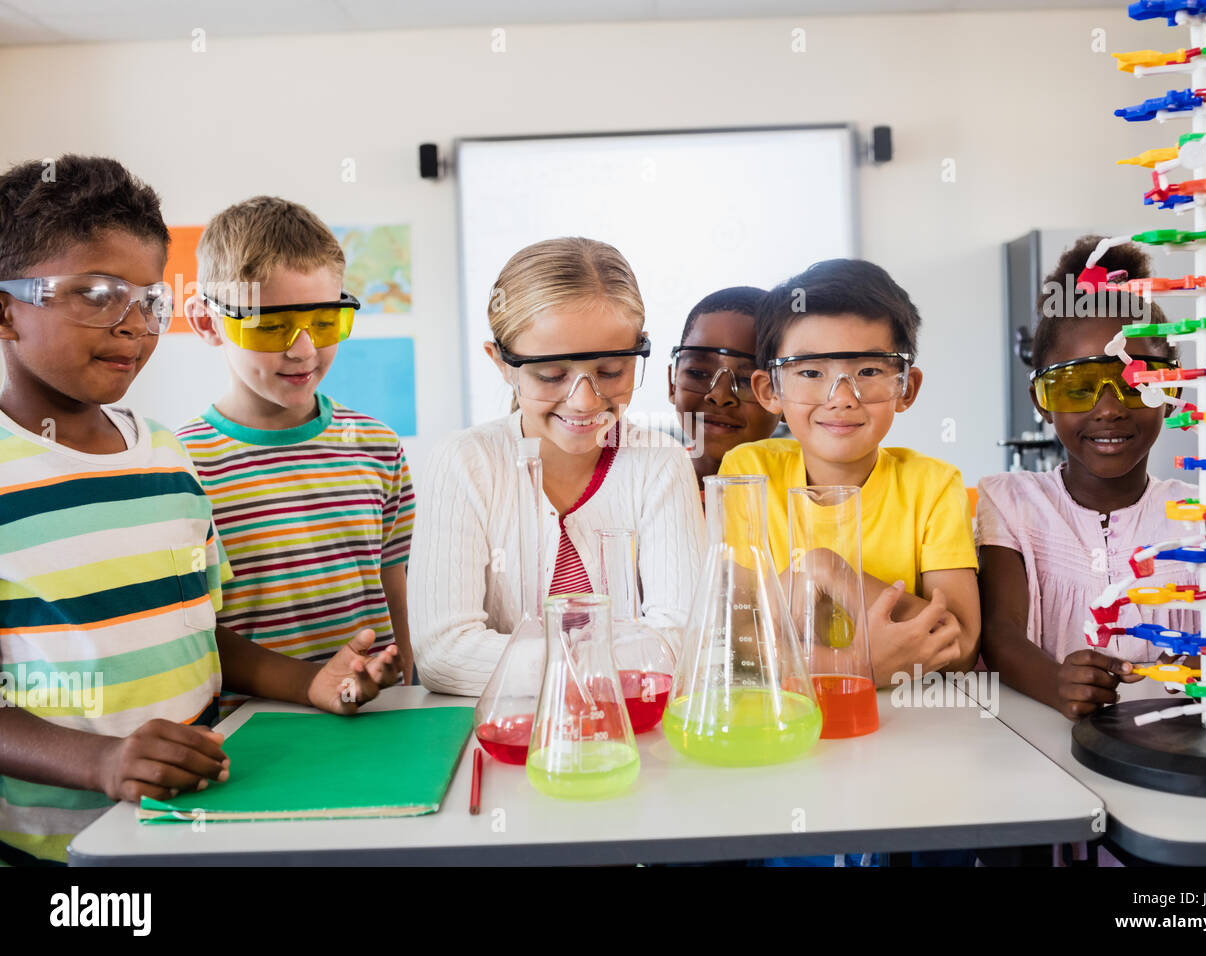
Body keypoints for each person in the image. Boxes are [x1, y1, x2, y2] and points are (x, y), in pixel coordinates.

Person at [0, 156, 398, 865]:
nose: (131, 325)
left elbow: (205, 635)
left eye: (147, 300)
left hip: (202, 817)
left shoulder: (162, 457)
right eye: (95, 293)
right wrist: (100, 761)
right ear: (6, 307)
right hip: (62, 852)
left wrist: (310, 679)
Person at [977, 236, 1206, 721]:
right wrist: (1056, 682)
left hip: (1184, 763)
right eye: (1078, 386)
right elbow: (1000, 634)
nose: (1109, 408)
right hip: (1045, 761)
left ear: (1171, 391)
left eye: (1138, 382)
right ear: (1042, 398)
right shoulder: (1011, 503)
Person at [409, 237, 705, 696]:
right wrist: (616, 662)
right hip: (505, 743)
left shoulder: (660, 465)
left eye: (611, 371)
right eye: (551, 375)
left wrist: (531, 665)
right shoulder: (465, 464)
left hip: (635, 745)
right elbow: (444, 655)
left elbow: (683, 641)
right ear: (502, 364)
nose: (585, 400)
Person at [178, 196, 415, 715]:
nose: (304, 350)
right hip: (254, 730)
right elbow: (192, 628)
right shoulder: (178, 468)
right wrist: (308, 682)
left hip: (378, 716)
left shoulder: (377, 446)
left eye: (325, 321)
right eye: (268, 326)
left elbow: (395, 583)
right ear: (205, 322)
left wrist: (410, 685)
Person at [720, 258, 981, 682]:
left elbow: (959, 646)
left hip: (912, 724)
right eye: (809, 372)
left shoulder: (932, 484)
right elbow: (738, 640)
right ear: (770, 390)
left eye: (869, 371)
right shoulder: (748, 471)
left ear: (906, 387)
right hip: (791, 718)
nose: (842, 397)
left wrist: (829, 570)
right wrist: (860, 665)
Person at [668, 286, 780, 492]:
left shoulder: (803, 500)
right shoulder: (645, 490)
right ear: (672, 383)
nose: (720, 396)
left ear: (787, 396)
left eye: (747, 381)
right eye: (698, 373)